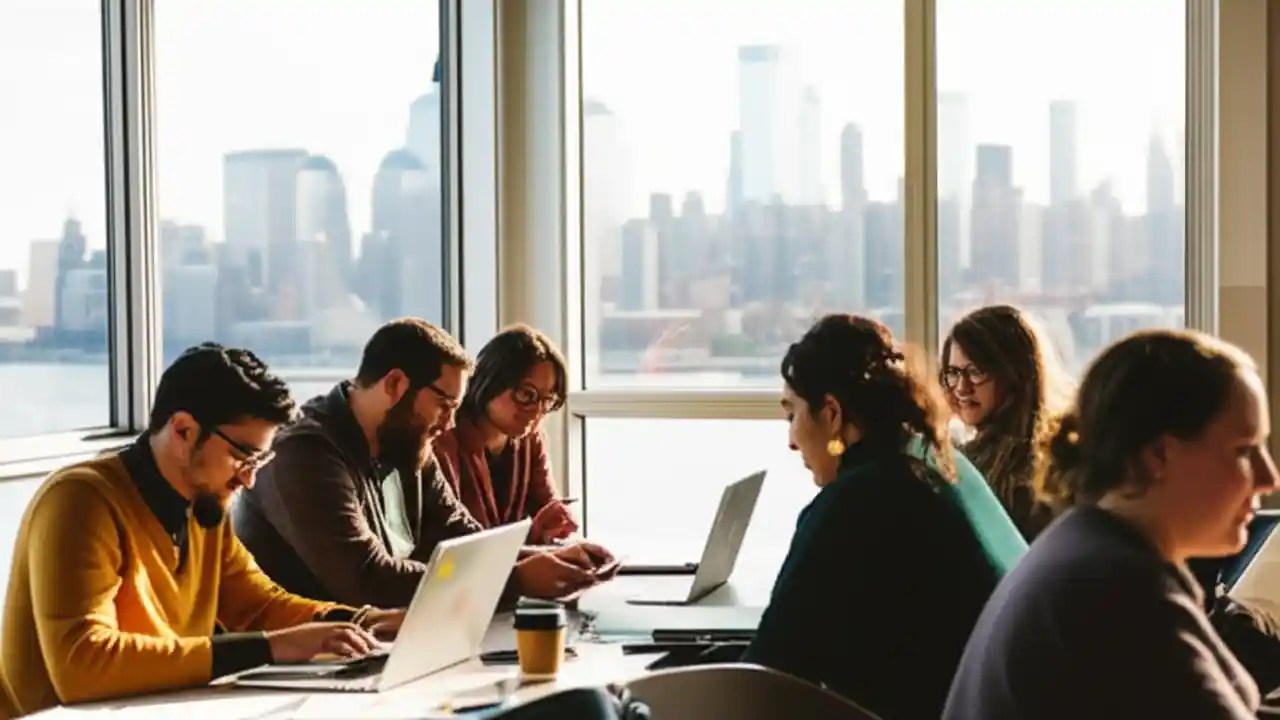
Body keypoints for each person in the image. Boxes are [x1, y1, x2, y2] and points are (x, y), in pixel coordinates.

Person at [0, 344, 399, 717]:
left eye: (260, 460)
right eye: (243, 455)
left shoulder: (204, 506)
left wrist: (364, 621)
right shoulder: (80, 501)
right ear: (183, 430)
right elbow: (82, 665)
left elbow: (258, 605)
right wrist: (269, 649)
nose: (249, 480)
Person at [943, 329, 1277, 719]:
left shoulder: (1083, 545)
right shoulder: (1120, 586)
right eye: (1243, 451)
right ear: (1158, 456)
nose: (1269, 477)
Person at [232, 318, 611, 610]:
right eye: (444, 405)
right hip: (299, 668)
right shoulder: (304, 453)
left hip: (369, 646)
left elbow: (463, 537)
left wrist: (555, 558)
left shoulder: (407, 446)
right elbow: (368, 581)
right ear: (395, 384)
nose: (449, 423)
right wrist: (516, 580)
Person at [741, 314, 1005, 719]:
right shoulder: (928, 471)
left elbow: (768, 675)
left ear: (831, 412)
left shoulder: (853, 503)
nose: (791, 440)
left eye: (792, 414)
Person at [434, 325, 590, 546]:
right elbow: (453, 535)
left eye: (547, 401)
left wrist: (557, 521)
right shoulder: (444, 439)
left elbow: (544, 504)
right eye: (527, 394)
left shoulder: (531, 439)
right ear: (492, 381)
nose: (536, 411)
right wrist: (533, 533)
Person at [940, 304, 1072, 541]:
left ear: (1013, 374)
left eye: (976, 371)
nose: (962, 387)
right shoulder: (1057, 453)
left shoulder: (994, 468)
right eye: (954, 372)